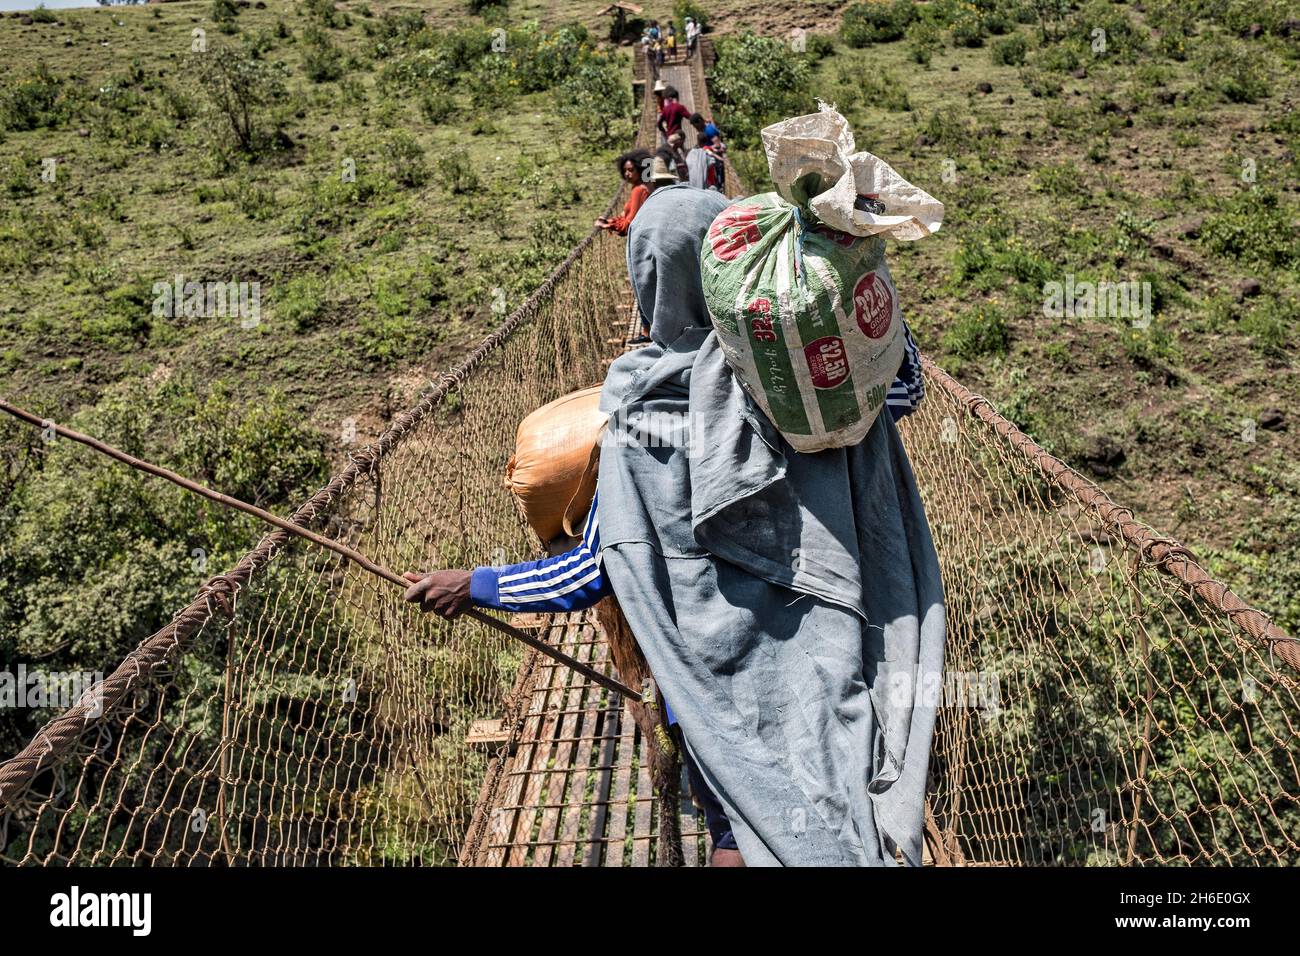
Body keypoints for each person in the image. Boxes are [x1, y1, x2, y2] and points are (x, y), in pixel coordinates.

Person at [404, 186, 944, 867]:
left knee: (742, 829)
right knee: (841, 810)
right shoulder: (814, 384)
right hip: (842, 650)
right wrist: (842, 275)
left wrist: (478, 585)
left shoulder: (639, 419)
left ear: (648, 286)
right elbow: (903, 384)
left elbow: (598, 567)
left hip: (714, 679)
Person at [595, 148, 657, 237]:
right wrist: (609, 221)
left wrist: (608, 225)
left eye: (631, 170)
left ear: (641, 170)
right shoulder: (647, 185)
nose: (627, 174)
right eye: (625, 170)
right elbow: (627, 216)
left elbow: (630, 224)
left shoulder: (639, 190)